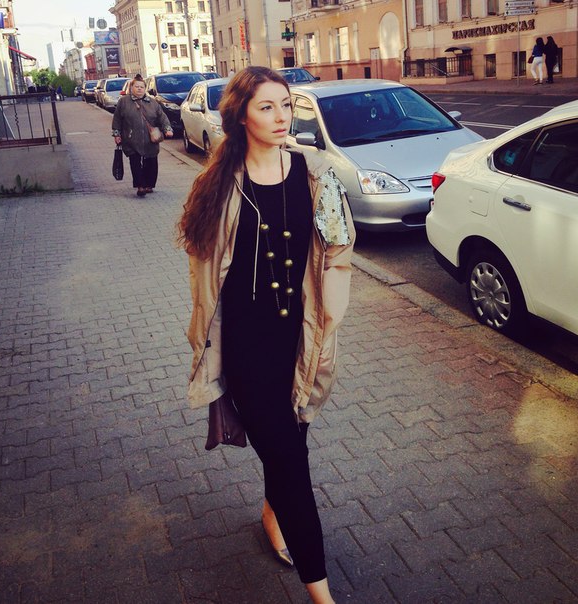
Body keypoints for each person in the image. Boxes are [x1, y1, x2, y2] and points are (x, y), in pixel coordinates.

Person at [178, 66, 355, 604]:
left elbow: (339, 251)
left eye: (286, 105)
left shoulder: (316, 174)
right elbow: (203, 271)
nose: (281, 118)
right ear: (241, 116)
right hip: (247, 350)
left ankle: (271, 516)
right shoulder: (218, 183)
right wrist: (205, 342)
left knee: (291, 443)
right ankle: (322, 596)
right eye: (267, 107)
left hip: (300, 341)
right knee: (291, 464)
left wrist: (329, 321)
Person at [112, 74, 172, 197]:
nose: (139, 89)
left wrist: (167, 129)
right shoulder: (124, 102)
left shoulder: (152, 102)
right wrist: (117, 134)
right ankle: (140, 186)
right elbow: (117, 119)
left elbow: (162, 117)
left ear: (145, 88)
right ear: (131, 87)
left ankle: (149, 185)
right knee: (135, 163)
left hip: (150, 139)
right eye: (137, 86)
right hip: (131, 139)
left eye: (142, 87)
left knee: (151, 162)